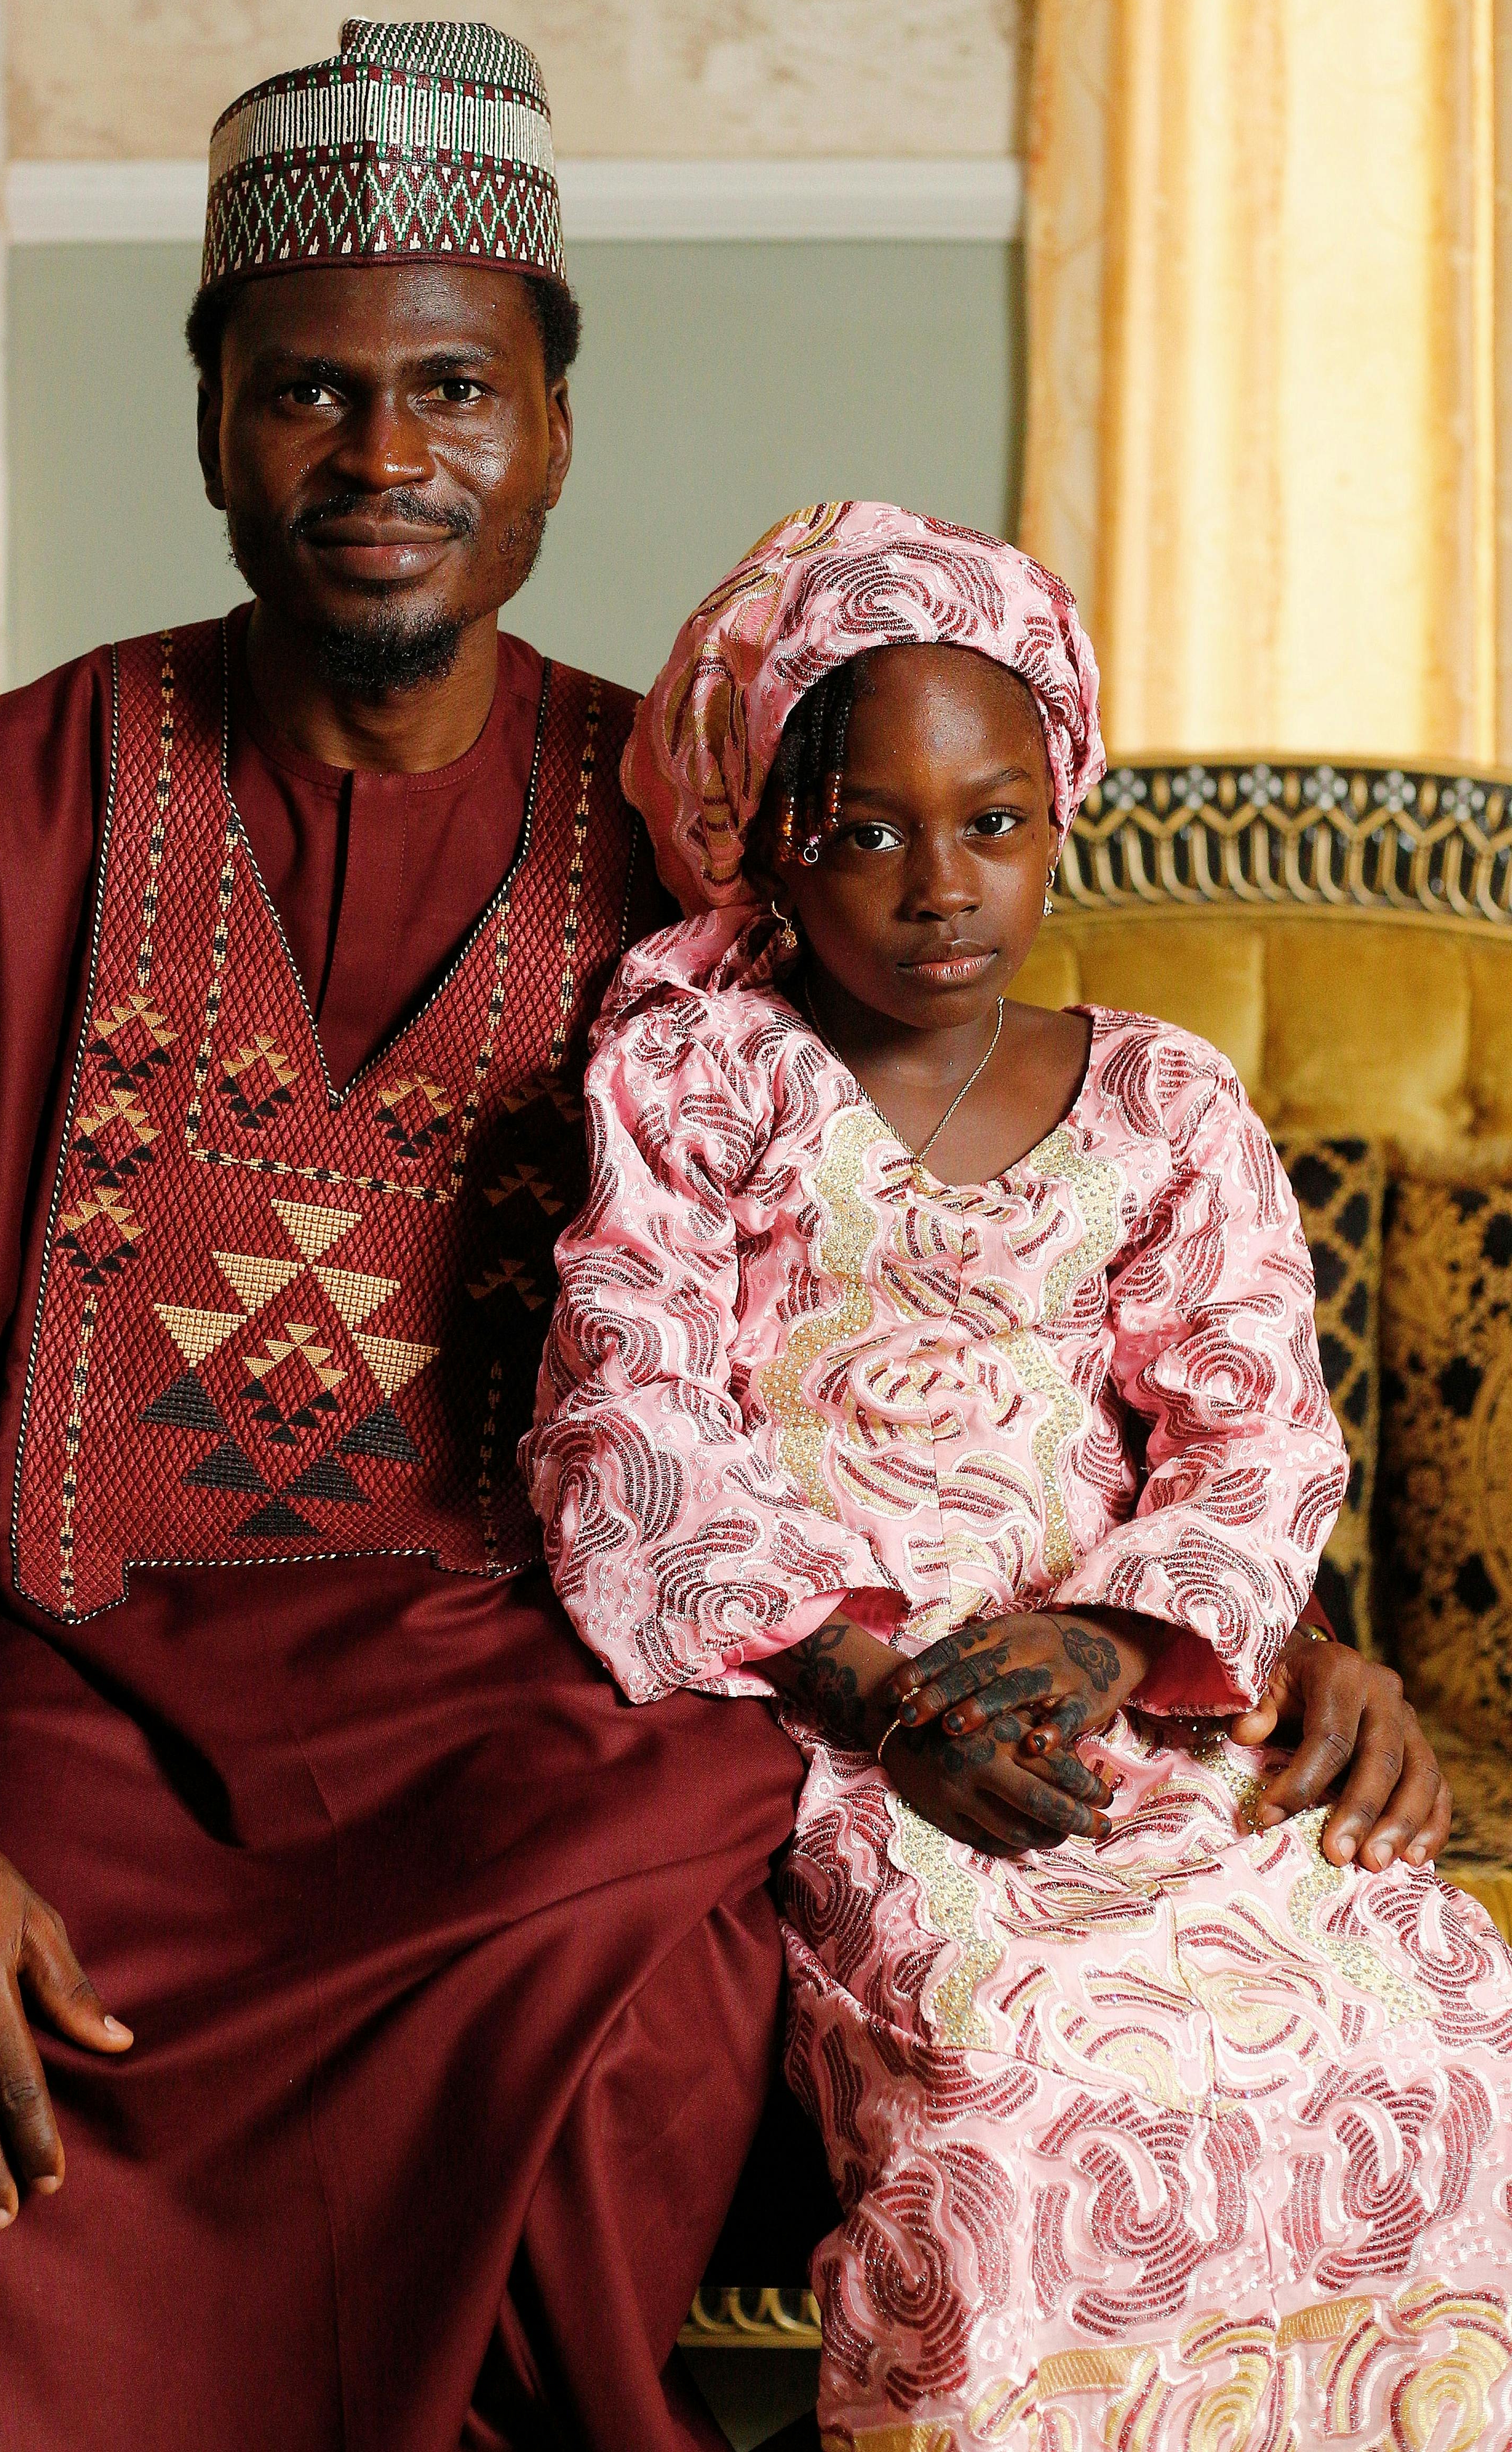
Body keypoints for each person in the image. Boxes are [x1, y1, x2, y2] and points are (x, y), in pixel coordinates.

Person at [0, 18, 1452, 2452]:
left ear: (550, 434)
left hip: (542, 1694)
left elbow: (959, 1289)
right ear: (210, 422)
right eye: (309, 394)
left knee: (661, 1900)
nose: (381, 460)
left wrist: (1245, 1639)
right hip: (81, 1688)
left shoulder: (706, 836)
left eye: (453, 390)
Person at [527, 502, 1512, 2452]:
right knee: (1015, 2061)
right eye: (864, 832)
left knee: (1433, 1993)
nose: (941, 888)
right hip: (842, 1708)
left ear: (1060, 811)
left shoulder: (1163, 1097)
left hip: (1135, 1693)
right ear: (765, 840)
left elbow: (1253, 1429)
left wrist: (1111, 1646)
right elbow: (630, 1417)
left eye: (992, 822)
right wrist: (882, 1695)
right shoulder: (700, 1073)